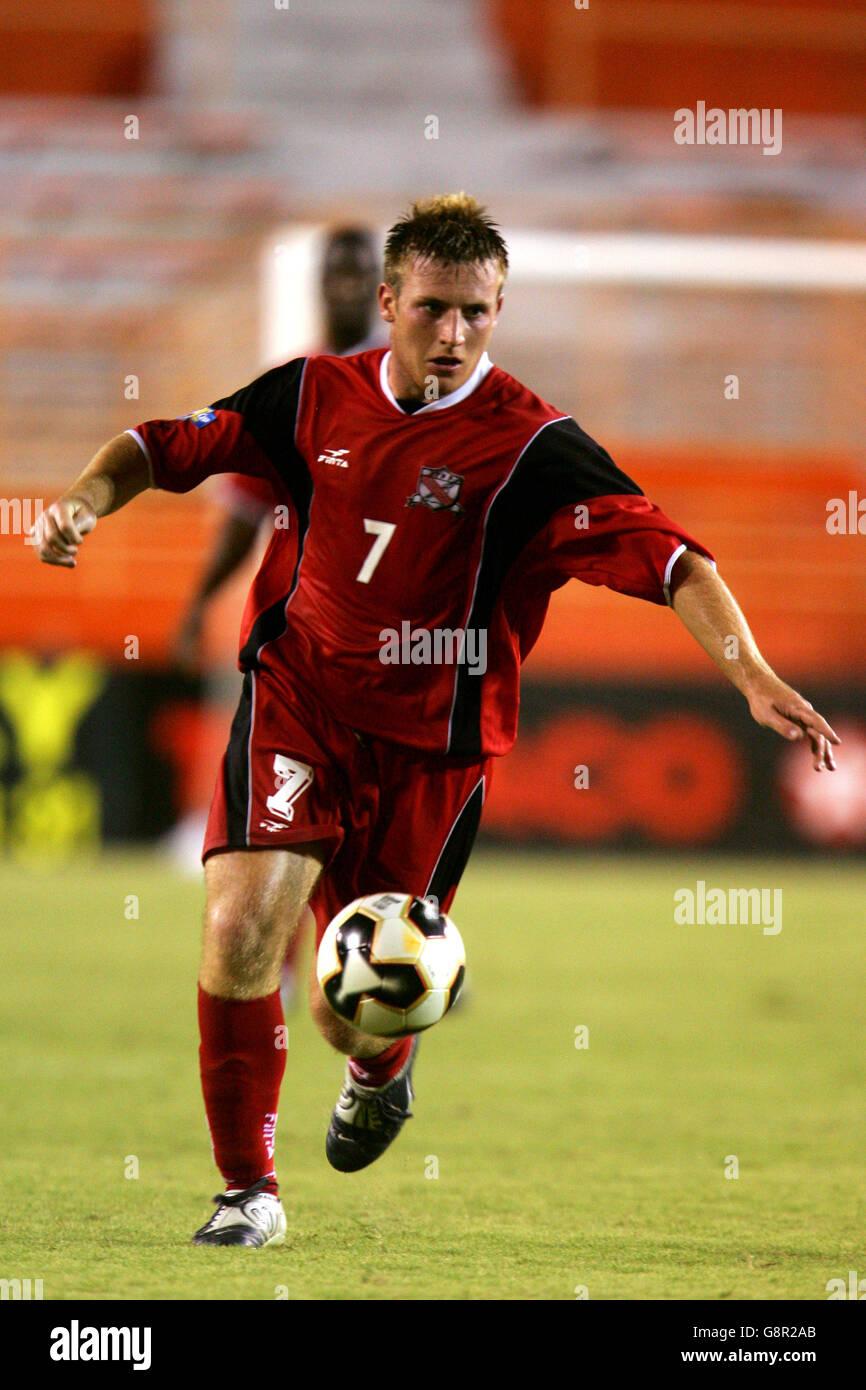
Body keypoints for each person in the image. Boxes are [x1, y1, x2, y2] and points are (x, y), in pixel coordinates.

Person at [34, 193, 839, 1250]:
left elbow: (676, 557)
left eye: (475, 313)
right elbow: (160, 442)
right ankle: (248, 1192)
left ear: (497, 309)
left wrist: (747, 670)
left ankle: (381, 1069)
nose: (452, 336)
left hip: (431, 751)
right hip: (298, 701)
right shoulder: (309, 396)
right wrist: (87, 502)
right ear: (387, 302)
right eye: (431, 311)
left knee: (347, 1005)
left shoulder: (532, 446)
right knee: (236, 929)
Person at [172, 226, 381, 1012]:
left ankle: (396, 957)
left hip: (394, 650)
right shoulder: (292, 386)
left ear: (385, 286)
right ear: (323, 281)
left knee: (377, 827)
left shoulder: (419, 388)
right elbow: (241, 512)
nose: (352, 282)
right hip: (299, 647)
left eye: (365, 268)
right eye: (341, 268)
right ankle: (284, 969)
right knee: (287, 822)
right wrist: (198, 599)